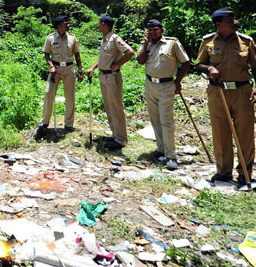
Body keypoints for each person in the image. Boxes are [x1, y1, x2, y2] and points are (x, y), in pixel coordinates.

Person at [196, 7, 256, 185]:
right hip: (218, 92)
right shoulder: (208, 41)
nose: (235, 22)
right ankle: (224, 171)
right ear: (219, 24)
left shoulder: (246, 41)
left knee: (245, 133)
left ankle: (244, 173)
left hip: (242, 92)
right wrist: (210, 68)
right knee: (220, 132)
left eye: (234, 19)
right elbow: (200, 64)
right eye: (230, 20)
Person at [135, 19, 191, 170]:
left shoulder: (172, 43)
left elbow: (186, 62)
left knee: (166, 121)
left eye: (156, 30)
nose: (153, 33)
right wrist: (146, 43)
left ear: (162, 30)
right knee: (155, 119)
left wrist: (178, 82)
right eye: (150, 30)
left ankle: (171, 156)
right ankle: (161, 150)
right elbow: (140, 61)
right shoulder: (147, 44)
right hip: (150, 84)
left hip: (167, 85)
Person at [87, 15, 134, 150]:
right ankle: (115, 134)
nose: (98, 25)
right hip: (104, 76)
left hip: (112, 77)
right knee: (109, 107)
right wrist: (93, 67)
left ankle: (121, 139)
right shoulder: (105, 39)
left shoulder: (115, 39)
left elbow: (130, 52)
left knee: (116, 108)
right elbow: (102, 58)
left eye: (99, 23)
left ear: (104, 24)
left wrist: (118, 64)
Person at [36, 14, 84, 139]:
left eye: (68, 22)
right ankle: (45, 122)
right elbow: (46, 54)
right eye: (65, 23)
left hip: (69, 69)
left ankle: (68, 124)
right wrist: (51, 65)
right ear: (59, 25)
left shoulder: (72, 38)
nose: (68, 24)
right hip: (55, 70)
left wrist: (80, 71)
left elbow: (77, 55)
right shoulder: (50, 38)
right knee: (48, 93)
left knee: (70, 96)